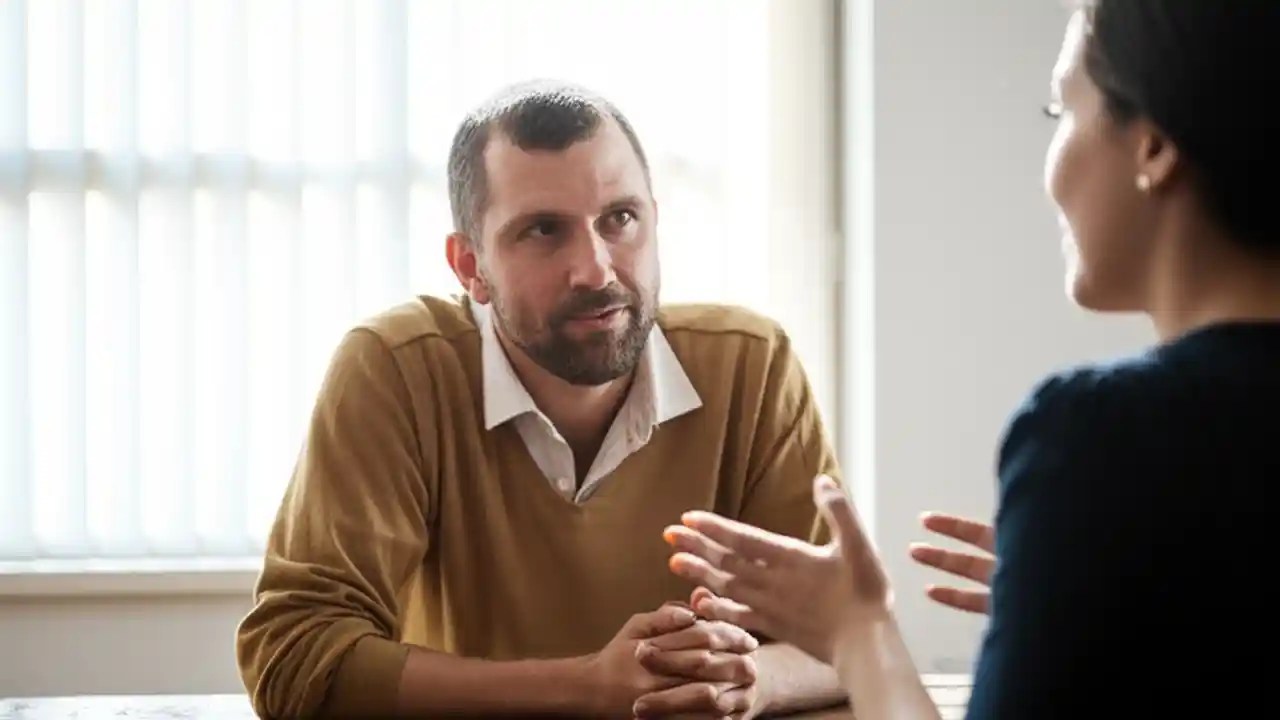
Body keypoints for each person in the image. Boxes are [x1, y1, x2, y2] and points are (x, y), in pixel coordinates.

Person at [662, 1, 1278, 717]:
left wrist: (859, 633)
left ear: (1152, 147)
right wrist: (1077, 597)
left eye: (1060, 112)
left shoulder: (1100, 438)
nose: (1049, 170)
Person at [234, 80, 848, 718]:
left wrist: (751, 680)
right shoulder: (395, 371)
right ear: (469, 265)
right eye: (543, 231)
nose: (597, 269)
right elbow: (295, 659)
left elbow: (849, 634)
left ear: (654, 220)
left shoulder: (752, 365)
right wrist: (587, 687)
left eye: (621, 219)